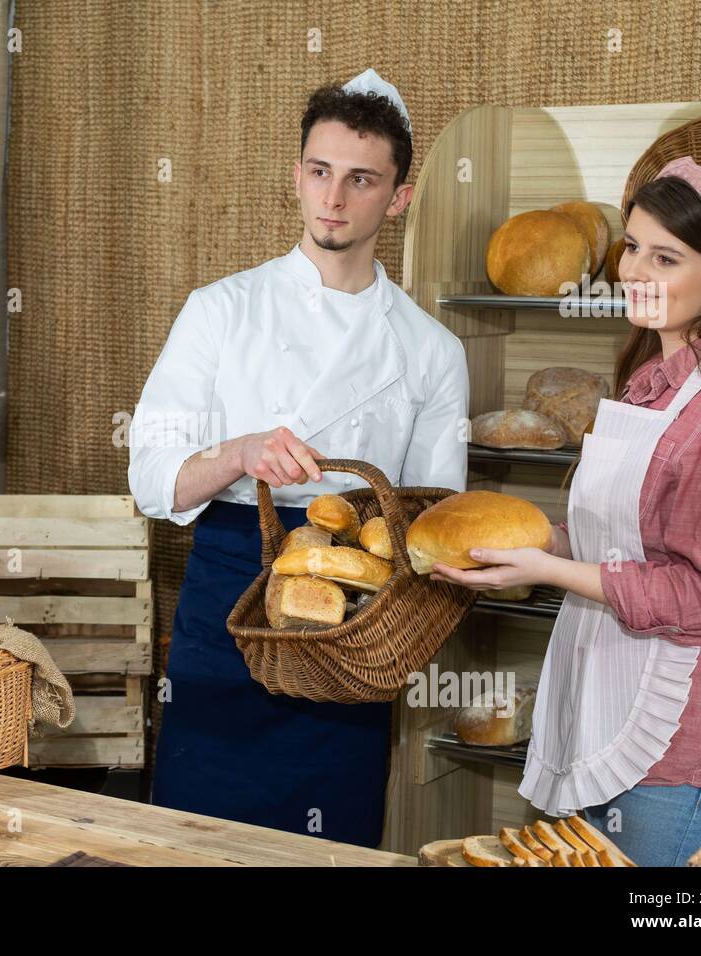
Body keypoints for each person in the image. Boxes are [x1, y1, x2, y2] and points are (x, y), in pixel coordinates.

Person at [433, 156, 701, 866]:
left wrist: (549, 566)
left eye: (665, 257)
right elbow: (632, 537)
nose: (635, 268)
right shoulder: (652, 383)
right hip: (617, 709)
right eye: (633, 246)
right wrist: (528, 540)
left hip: (691, 749)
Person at [128, 70, 468, 848]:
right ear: (296, 177)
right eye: (319, 172)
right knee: (192, 847)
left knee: (331, 850)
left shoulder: (432, 352)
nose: (334, 198)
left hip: (350, 629)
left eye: (361, 179)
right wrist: (242, 451)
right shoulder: (219, 311)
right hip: (225, 599)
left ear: (400, 198)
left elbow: (428, 528)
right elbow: (151, 478)